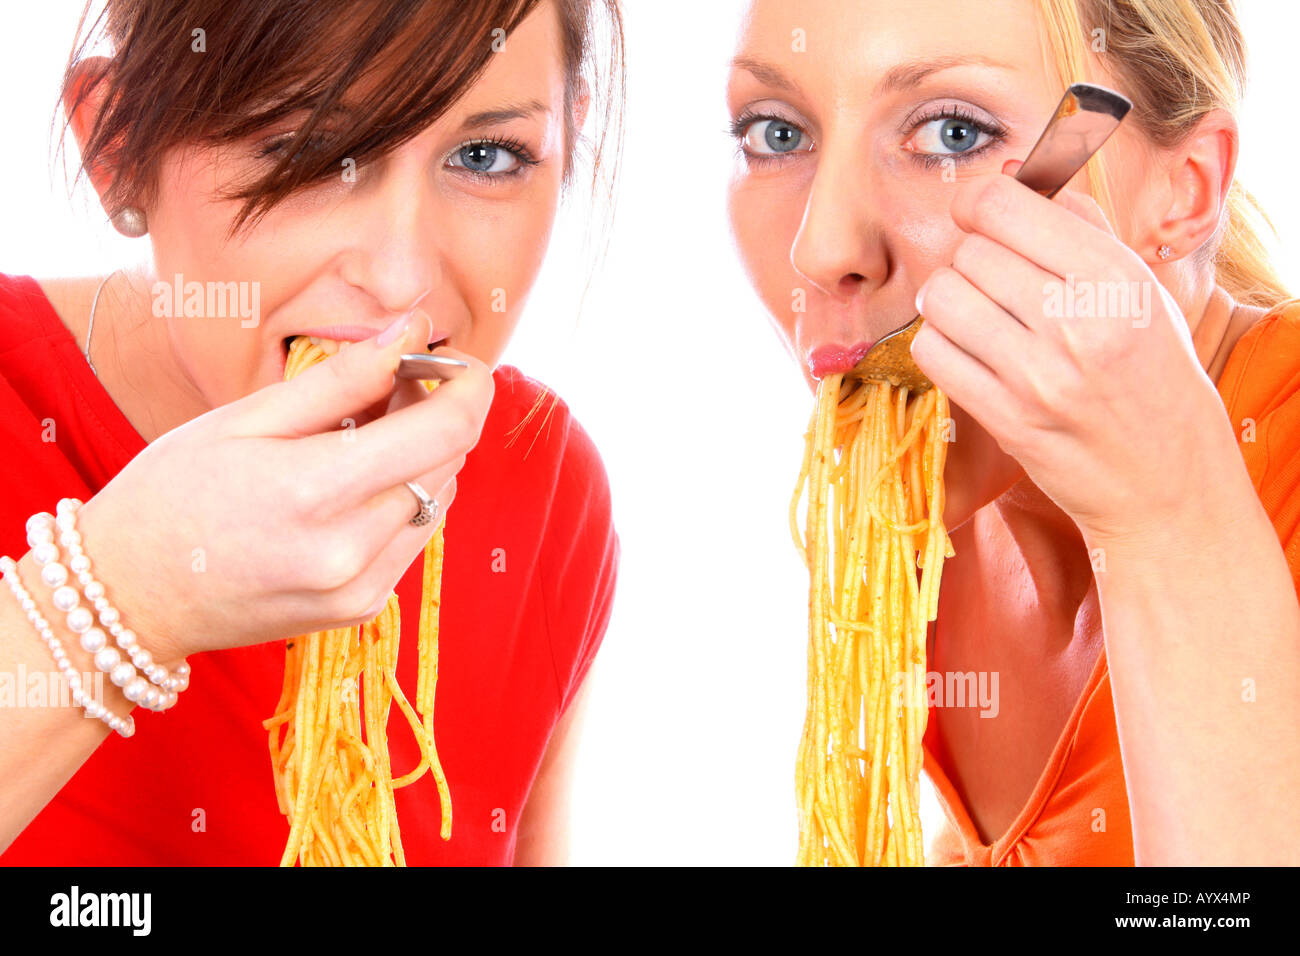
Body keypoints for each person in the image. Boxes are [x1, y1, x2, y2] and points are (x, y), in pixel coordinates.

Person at [0, 0, 622, 866]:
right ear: (114, 147)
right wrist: (130, 589)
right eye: (307, 151)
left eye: (487, 157)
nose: (401, 279)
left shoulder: (541, 479)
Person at [725, 0, 1300, 865]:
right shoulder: (917, 530)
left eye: (954, 134)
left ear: (1184, 189)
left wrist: (1166, 517)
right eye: (776, 133)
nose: (824, 245)